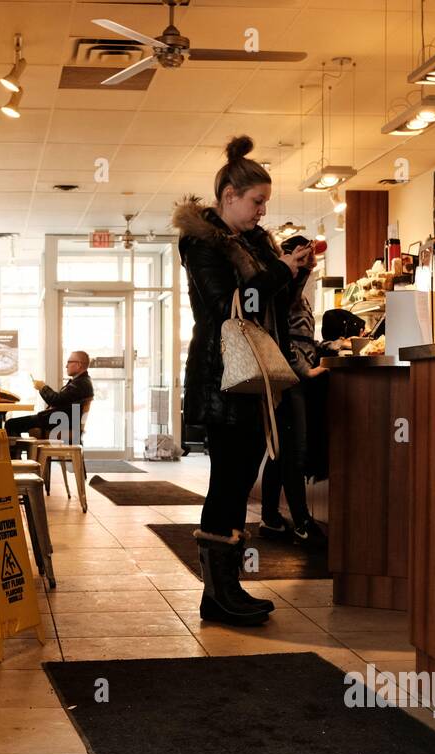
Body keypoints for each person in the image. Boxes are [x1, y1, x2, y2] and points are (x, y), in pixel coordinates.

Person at [172, 135, 313, 626]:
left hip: (250, 380)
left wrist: (293, 273)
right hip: (223, 379)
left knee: (237, 480)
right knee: (228, 483)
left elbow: (268, 306)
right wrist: (278, 269)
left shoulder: (253, 244)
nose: (261, 211)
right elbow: (228, 306)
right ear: (229, 195)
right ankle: (218, 594)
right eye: (257, 202)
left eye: (265, 203)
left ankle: (226, 590)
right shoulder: (201, 243)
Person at [259, 234, 327, 548]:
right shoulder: (282, 293)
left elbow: (301, 339)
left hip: (288, 379)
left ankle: (271, 518)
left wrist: (323, 349)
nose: (308, 267)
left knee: (281, 452)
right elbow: (282, 340)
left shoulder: (296, 294)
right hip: (287, 380)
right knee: (294, 453)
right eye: (303, 261)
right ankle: (301, 522)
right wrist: (306, 370)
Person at [5, 351, 94, 444]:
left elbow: (56, 401)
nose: (66, 366)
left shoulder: (80, 384)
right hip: (62, 421)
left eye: (69, 362)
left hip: (59, 422)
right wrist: (42, 389)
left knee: (11, 424)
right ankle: (20, 455)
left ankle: (13, 457)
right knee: (15, 423)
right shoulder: (82, 382)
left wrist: (42, 387)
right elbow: (59, 401)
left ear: (79, 364)